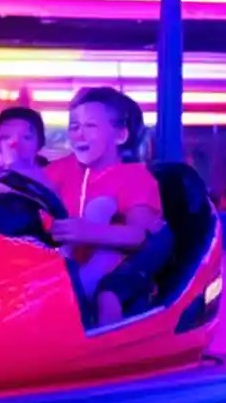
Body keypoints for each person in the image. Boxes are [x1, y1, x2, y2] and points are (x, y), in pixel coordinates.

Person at [38, 88, 164, 325]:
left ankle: (110, 350)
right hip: (61, 262)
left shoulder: (134, 177)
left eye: (90, 127)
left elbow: (139, 235)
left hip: (121, 268)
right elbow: (29, 186)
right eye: (74, 127)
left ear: (120, 135)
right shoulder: (61, 169)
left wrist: (89, 232)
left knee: (107, 296)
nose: (79, 135)